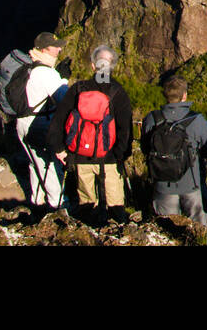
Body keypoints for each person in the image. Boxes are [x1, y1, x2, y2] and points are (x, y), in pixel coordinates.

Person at [47, 44, 133, 222]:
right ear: (112, 67)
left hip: (80, 156)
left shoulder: (78, 90)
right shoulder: (119, 93)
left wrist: (60, 149)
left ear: (93, 66)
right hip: (109, 159)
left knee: (86, 207)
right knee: (115, 208)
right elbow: (125, 130)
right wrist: (120, 155)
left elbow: (59, 121)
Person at [140, 76, 207, 226]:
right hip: (191, 184)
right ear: (184, 95)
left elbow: (145, 148)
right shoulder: (197, 120)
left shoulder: (152, 119)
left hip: (162, 184)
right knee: (198, 229)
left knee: (165, 230)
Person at [10, 32, 68, 211]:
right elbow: (65, 100)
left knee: (34, 163)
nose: (59, 49)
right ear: (44, 49)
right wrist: (64, 80)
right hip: (37, 124)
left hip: (22, 122)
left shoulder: (31, 67)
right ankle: (57, 206)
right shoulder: (46, 73)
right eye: (55, 46)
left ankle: (37, 202)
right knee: (48, 164)